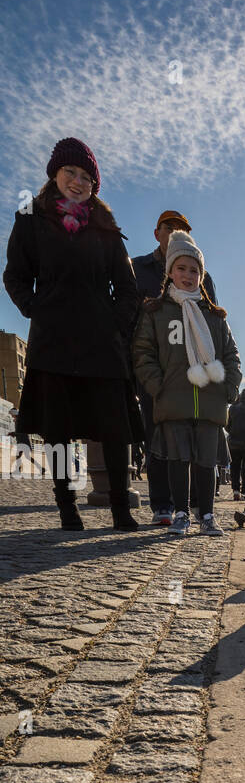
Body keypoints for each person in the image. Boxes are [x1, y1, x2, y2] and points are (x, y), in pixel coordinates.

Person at [2, 137, 143, 530]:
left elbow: (127, 288)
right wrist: (36, 309)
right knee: (58, 431)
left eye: (86, 177)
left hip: (101, 342)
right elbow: (14, 276)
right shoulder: (30, 218)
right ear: (55, 174)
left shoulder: (106, 227)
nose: (78, 182)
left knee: (114, 427)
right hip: (54, 340)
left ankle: (120, 509)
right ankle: (67, 508)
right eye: (71, 172)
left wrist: (116, 325)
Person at [132, 231, 240, 537]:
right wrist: (158, 387)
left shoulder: (215, 317)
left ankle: (206, 514)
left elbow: (232, 355)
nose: (188, 275)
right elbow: (143, 353)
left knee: (206, 463)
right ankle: (181, 513)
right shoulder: (156, 312)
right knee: (177, 461)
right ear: (170, 272)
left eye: (195, 270)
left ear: (202, 276)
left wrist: (228, 388)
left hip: (210, 400)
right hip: (173, 399)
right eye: (182, 268)